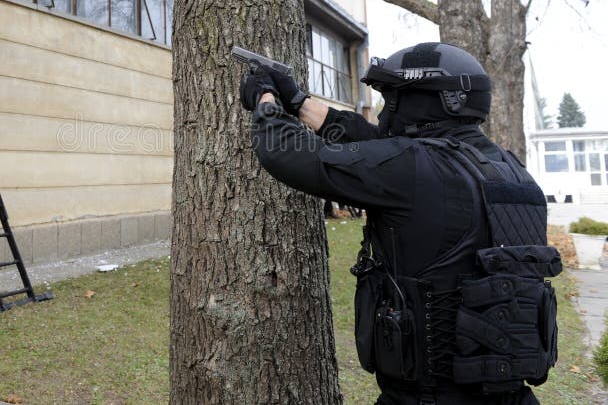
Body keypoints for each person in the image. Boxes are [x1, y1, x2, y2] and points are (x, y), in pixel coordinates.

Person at [239, 42, 560, 405]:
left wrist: (266, 100)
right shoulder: (512, 172)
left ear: (432, 101)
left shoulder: (412, 167)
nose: (385, 112)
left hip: (426, 398)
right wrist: (297, 101)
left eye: (393, 98)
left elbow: (289, 154)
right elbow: (377, 148)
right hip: (511, 394)